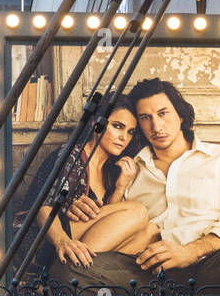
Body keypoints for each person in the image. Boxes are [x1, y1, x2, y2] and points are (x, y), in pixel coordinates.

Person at [50, 78, 220, 291]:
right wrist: (76, 206)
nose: (156, 126)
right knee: (70, 271)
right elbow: (112, 227)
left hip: (209, 263)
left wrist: (190, 252)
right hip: (144, 272)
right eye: (145, 118)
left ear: (180, 115)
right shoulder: (129, 168)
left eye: (162, 113)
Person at [17, 97, 153, 273]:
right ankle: (63, 271)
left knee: (150, 231)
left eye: (130, 132)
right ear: (96, 124)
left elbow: (111, 227)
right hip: (43, 242)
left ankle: (81, 272)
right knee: (138, 211)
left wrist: (120, 187)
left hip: (81, 244)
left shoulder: (111, 171)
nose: (123, 137)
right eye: (117, 126)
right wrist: (62, 241)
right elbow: (43, 208)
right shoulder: (71, 156)